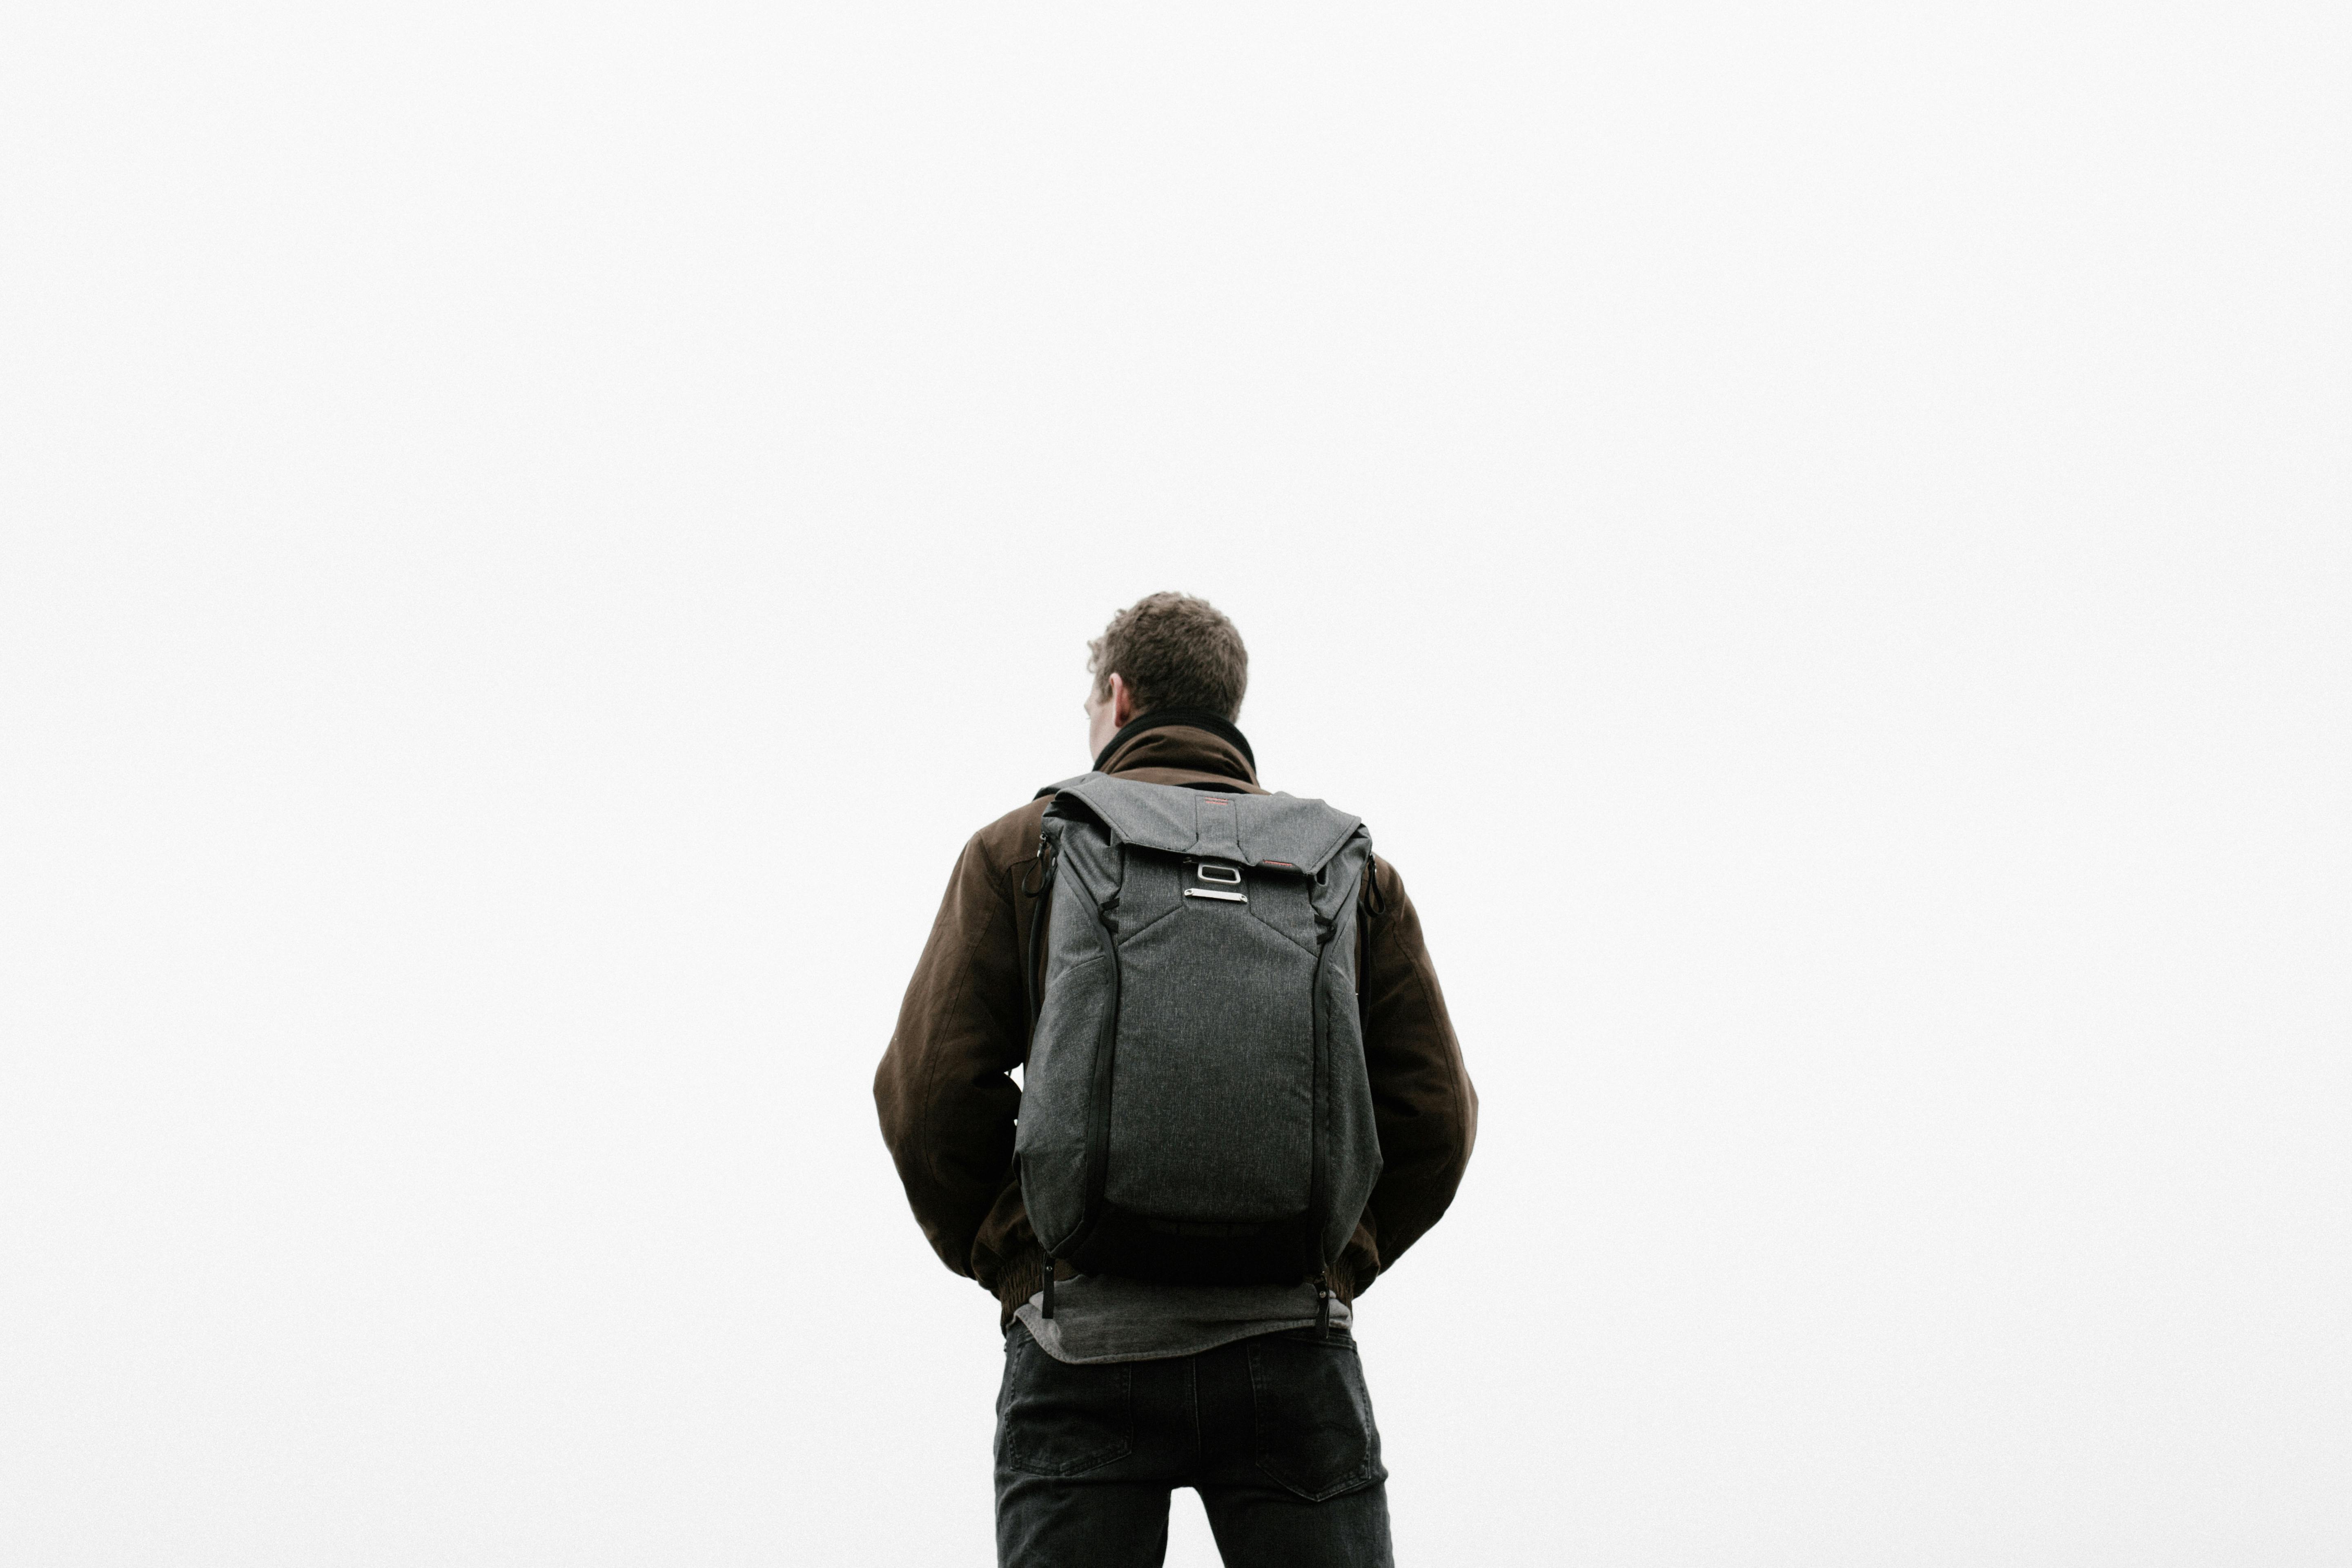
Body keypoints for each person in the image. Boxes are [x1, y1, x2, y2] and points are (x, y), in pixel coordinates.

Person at [875, 591, 1477, 1567]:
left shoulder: (1022, 849)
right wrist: (1332, 1259)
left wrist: (1029, 1265)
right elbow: (1435, 1118)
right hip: (1291, 1351)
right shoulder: (1346, 872)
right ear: (1227, 713)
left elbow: (931, 1099)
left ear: (1117, 699)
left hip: (1080, 1350)